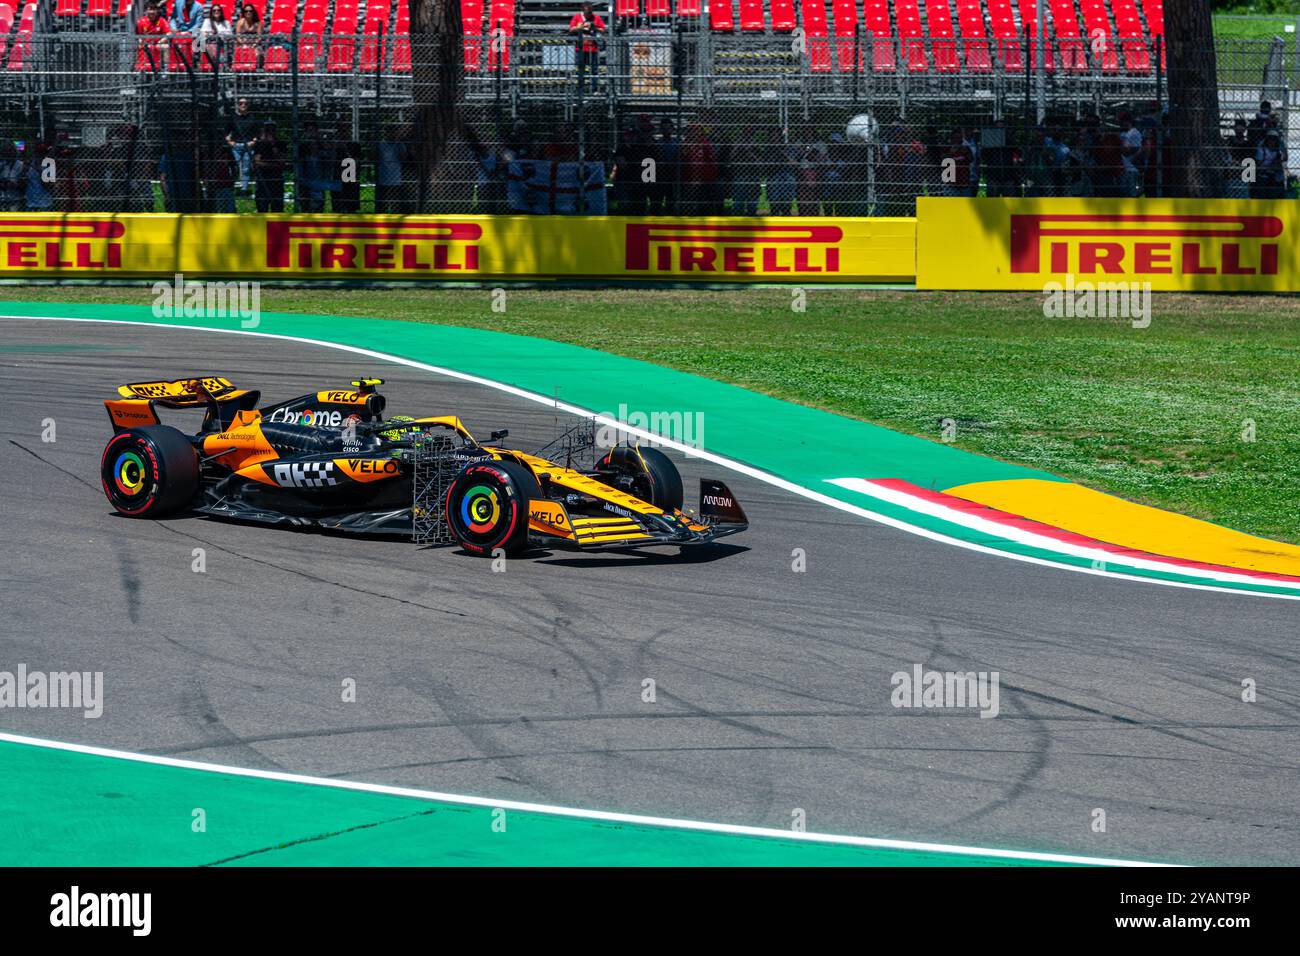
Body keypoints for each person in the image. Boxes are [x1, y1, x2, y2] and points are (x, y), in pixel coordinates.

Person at [568, 3, 605, 94]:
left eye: (590, 12)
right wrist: (579, 27)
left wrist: (594, 28)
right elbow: (571, 29)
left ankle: (594, 90)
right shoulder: (577, 17)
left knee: (594, 70)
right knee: (581, 70)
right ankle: (580, 89)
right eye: (587, 12)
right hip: (580, 48)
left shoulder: (596, 17)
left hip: (593, 48)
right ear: (583, 11)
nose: (588, 14)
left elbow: (603, 30)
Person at [225, 97, 259, 192]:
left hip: (248, 145)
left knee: (246, 169)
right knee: (233, 167)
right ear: (237, 105)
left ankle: (244, 189)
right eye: (240, 103)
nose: (243, 105)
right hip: (236, 146)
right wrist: (229, 142)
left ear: (248, 105)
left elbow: (257, 132)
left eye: (245, 103)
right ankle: (230, 188)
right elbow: (226, 132)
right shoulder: (232, 118)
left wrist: (253, 141)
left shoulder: (252, 118)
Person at [252, 121, 285, 212]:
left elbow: (282, 162)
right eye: (268, 130)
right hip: (262, 180)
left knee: (277, 208)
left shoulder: (280, 143)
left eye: (272, 130)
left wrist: (273, 145)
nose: (270, 132)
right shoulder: (259, 144)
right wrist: (274, 165)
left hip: (276, 180)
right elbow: (256, 163)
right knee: (262, 207)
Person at [1254, 129, 1288, 199]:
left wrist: (1282, 148)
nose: (1272, 141)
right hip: (1264, 174)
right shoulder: (1262, 149)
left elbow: (1285, 157)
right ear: (1267, 139)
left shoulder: (1279, 149)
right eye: (1270, 138)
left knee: (1275, 190)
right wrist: (1269, 166)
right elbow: (1259, 164)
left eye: (1274, 139)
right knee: (1262, 189)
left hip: (1275, 174)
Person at [0, 143, 25, 211]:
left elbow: (24, 182)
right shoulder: (2, 164)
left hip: (15, 198)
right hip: (2, 198)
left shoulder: (21, 164)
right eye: (5, 151)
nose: (8, 153)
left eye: (10, 151)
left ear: (14, 152)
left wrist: (13, 184)